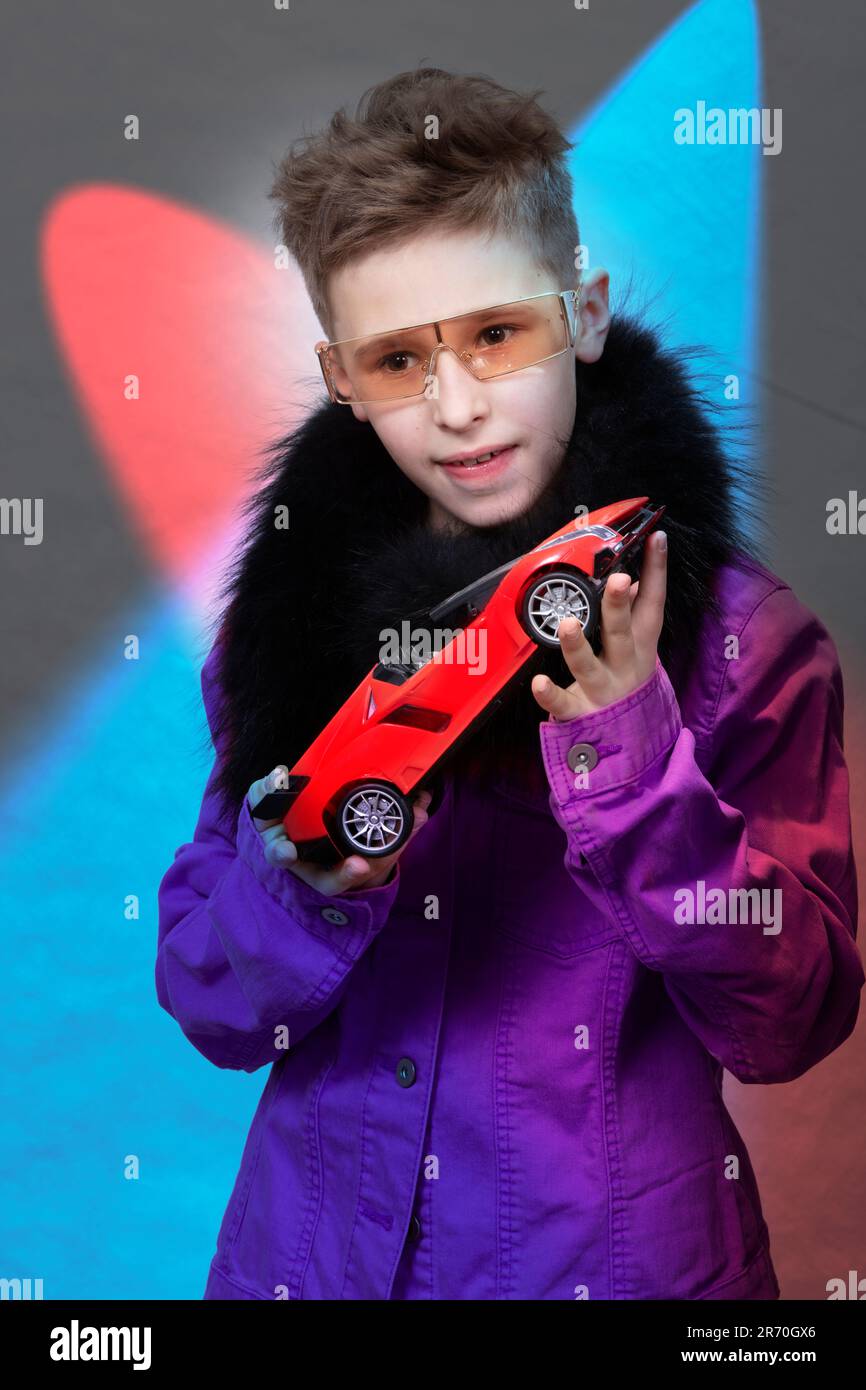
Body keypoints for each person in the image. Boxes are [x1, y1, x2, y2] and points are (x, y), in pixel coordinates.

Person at [155, 67, 863, 1301]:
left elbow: (789, 1021)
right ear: (339, 378)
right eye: (397, 359)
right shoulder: (285, 634)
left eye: (495, 334)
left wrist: (635, 772)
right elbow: (214, 1005)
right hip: (303, 1268)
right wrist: (304, 881)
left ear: (582, 314)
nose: (458, 406)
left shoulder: (747, 646)